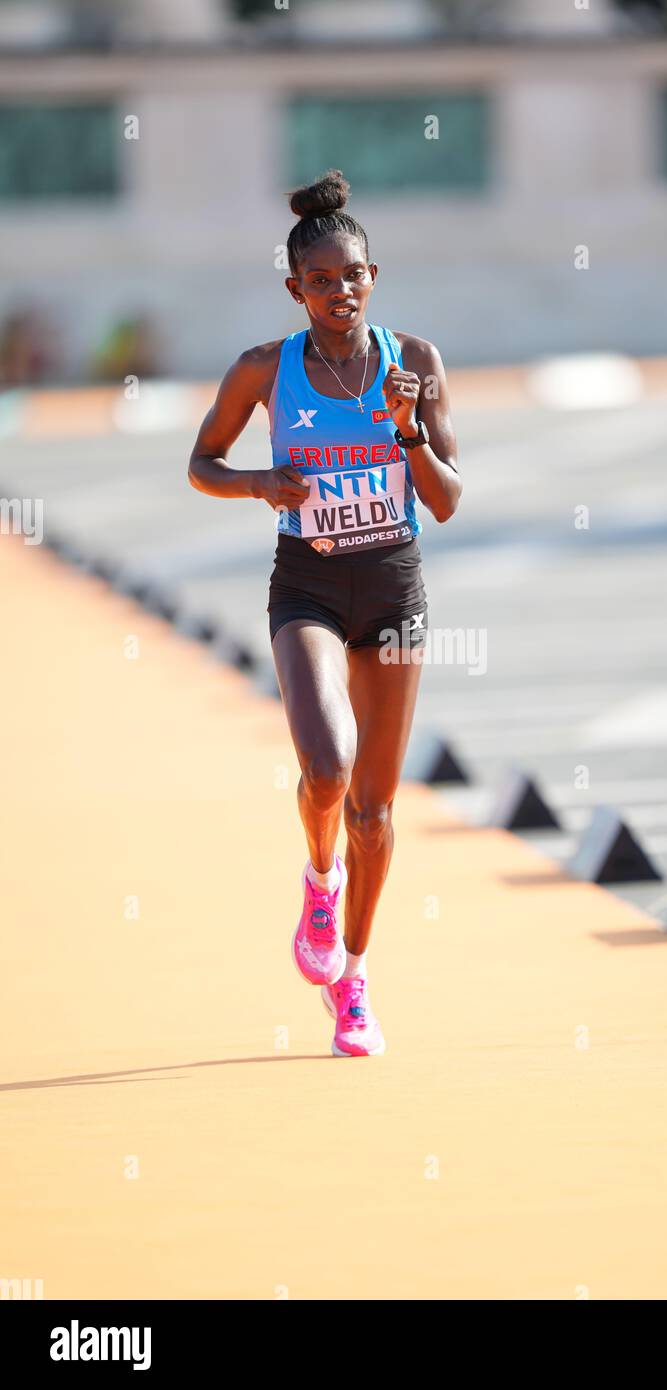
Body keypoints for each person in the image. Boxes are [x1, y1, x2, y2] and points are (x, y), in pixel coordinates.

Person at [189, 169, 461, 1056]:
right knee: (326, 765)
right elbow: (203, 463)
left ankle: (352, 974)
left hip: (393, 587)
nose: (339, 292)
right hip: (306, 583)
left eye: (353, 276)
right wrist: (262, 483)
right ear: (294, 289)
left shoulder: (413, 362)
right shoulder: (265, 369)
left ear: (372, 277)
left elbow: (449, 501)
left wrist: (408, 433)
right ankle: (318, 876)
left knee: (377, 812)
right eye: (321, 281)